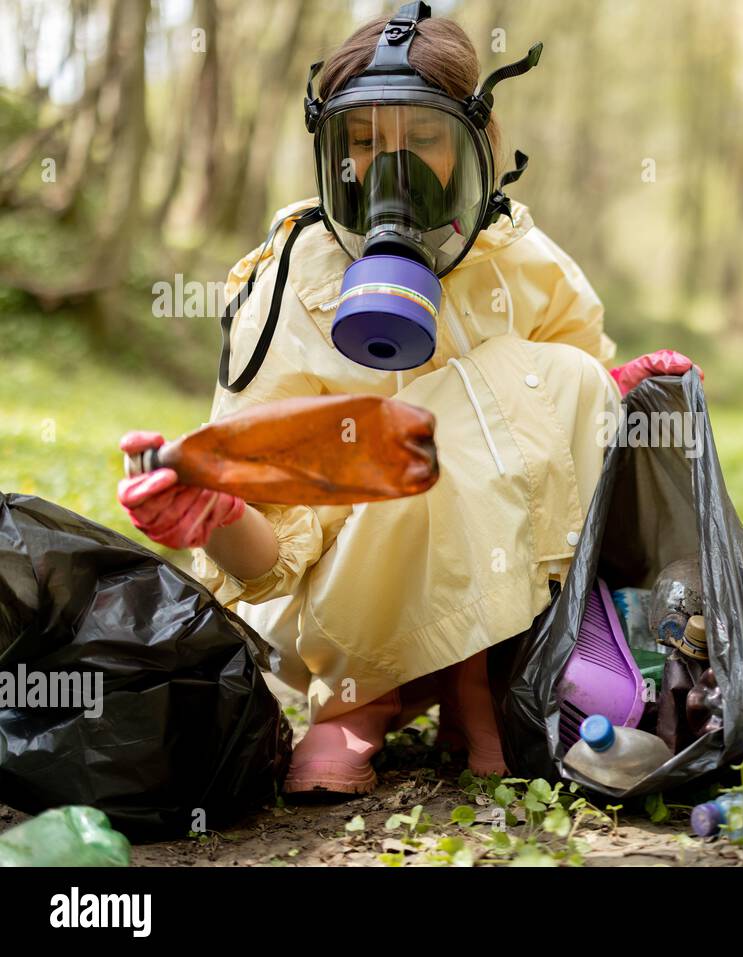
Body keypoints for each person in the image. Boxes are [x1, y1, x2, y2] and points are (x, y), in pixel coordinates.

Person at [115, 6, 697, 796]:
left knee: (558, 378)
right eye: (363, 145)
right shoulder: (293, 282)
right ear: (331, 153)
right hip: (346, 617)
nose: (393, 172)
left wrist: (616, 391)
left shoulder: (517, 256)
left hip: (504, 603)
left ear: (477, 143)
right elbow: (275, 548)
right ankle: (355, 706)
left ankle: (484, 683)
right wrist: (218, 515)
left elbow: (567, 427)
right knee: (427, 428)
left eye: (422, 140)